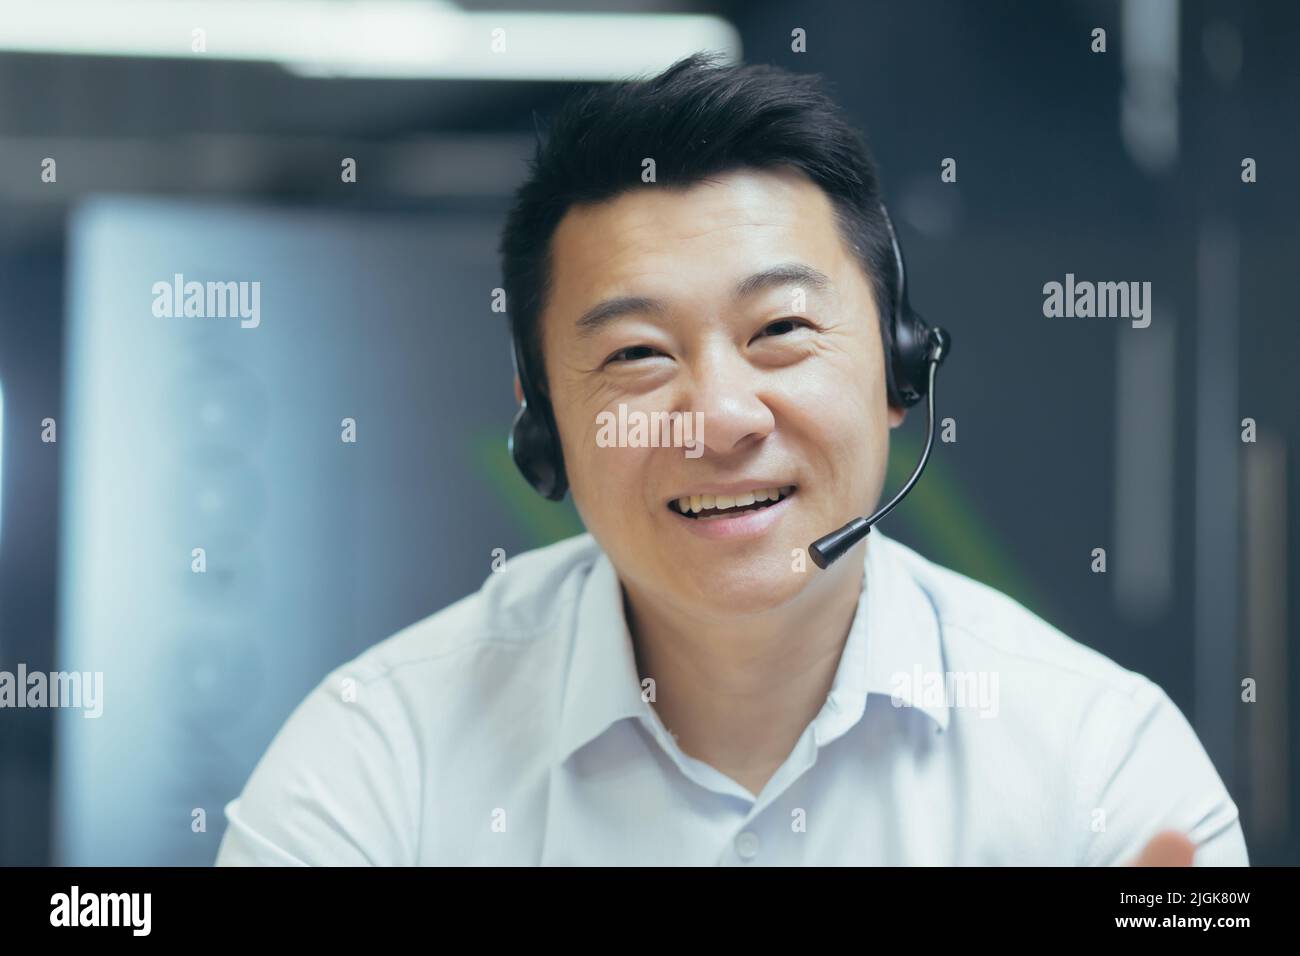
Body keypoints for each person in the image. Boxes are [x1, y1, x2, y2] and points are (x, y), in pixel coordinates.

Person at [216, 54, 1247, 866]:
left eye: (780, 330)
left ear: (899, 373)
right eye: (636, 353)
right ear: (544, 430)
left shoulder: (1101, 766)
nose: (717, 417)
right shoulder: (375, 761)